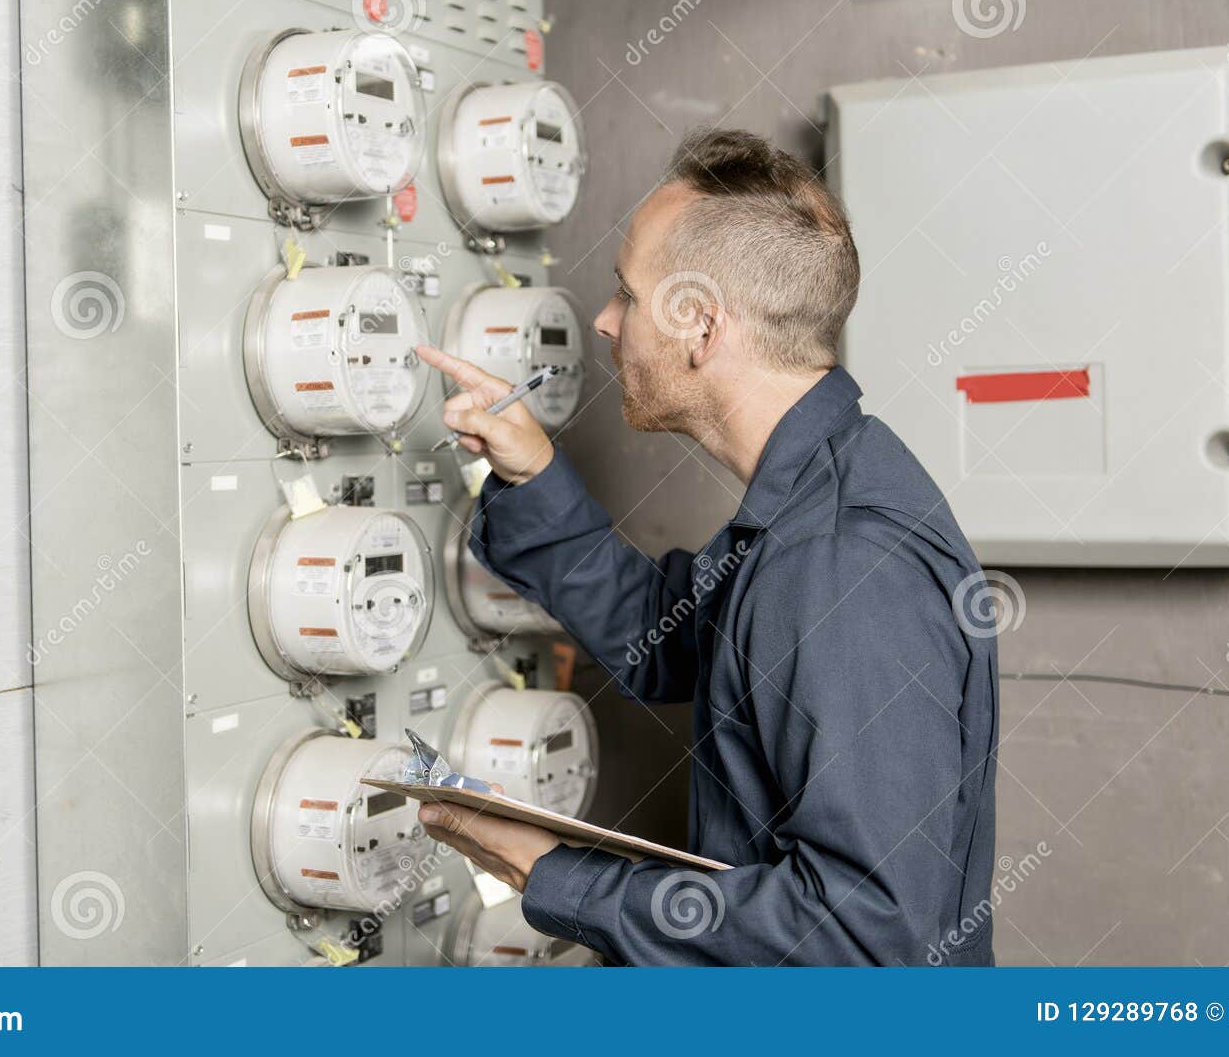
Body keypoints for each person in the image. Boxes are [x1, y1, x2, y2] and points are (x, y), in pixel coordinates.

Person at [413, 128, 998, 966]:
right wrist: (535, 469)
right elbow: (667, 637)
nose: (605, 324)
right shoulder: (809, 503)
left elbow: (864, 938)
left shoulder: (843, 564)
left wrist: (551, 873)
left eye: (627, 294)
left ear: (700, 327)